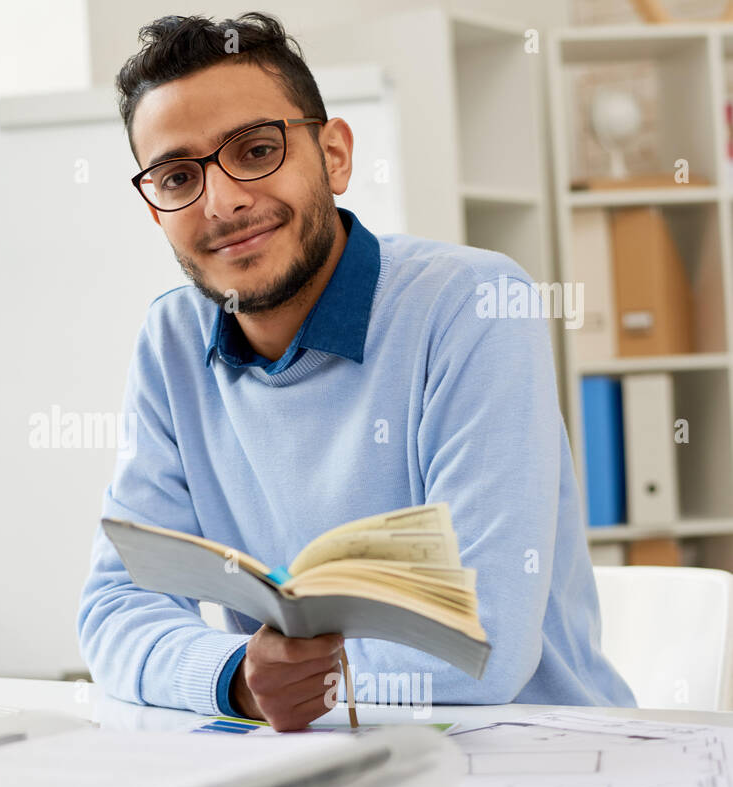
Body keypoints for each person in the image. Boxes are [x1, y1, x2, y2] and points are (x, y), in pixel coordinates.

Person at [76, 12, 636, 731]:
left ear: (334, 155)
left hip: (541, 764)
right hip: (321, 763)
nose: (223, 202)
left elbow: (482, 643)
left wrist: (301, 679)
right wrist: (236, 678)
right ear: (156, 211)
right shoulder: (171, 341)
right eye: (179, 176)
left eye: (255, 149)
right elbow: (116, 607)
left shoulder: (473, 306)